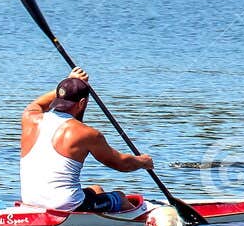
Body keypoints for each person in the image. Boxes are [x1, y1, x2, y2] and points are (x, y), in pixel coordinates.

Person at [20, 67, 152, 213]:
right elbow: (121, 164)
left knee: (96, 189)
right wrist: (143, 162)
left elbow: (38, 104)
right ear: (82, 103)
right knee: (120, 198)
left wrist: (69, 81)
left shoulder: (30, 118)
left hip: (31, 202)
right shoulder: (86, 133)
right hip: (66, 206)